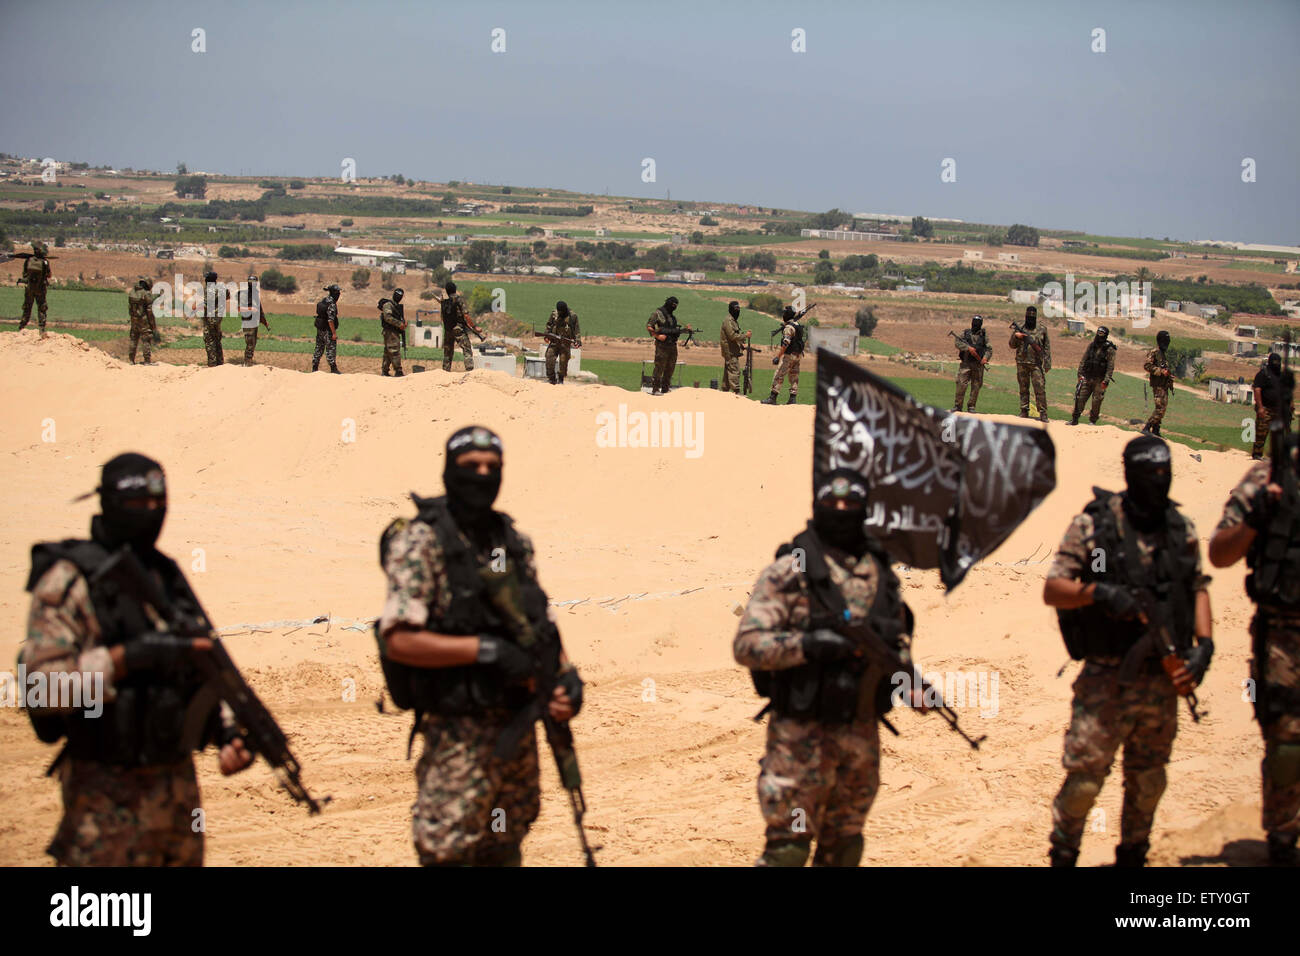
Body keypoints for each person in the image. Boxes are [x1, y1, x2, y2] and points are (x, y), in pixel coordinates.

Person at [19, 453, 254, 865]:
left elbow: (197, 671)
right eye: (137, 505)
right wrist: (124, 659)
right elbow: (41, 689)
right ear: (108, 504)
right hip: (103, 811)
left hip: (177, 805)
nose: (149, 515)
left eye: (156, 505)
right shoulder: (70, 581)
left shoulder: (165, 577)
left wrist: (223, 733)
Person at [377, 426, 585, 866]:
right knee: (449, 849)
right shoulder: (423, 541)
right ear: (451, 471)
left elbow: (540, 623)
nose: (483, 475)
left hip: (517, 727)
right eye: (472, 467)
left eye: (493, 468)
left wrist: (565, 679)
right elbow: (397, 638)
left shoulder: (511, 542)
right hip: (459, 733)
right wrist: (484, 651)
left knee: (505, 844)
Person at [1042, 435, 1214, 867]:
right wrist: (1098, 593)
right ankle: (1064, 850)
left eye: (1164, 474)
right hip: (1105, 680)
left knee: (1149, 780)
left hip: (1161, 678)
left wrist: (1205, 646)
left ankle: (1133, 853)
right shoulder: (1096, 526)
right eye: (1149, 475)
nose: (1158, 483)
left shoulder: (1180, 529)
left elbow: (1197, 588)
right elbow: (1054, 589)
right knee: (1084, 782)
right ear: (1130, 475)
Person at [734, 469, 920, 866]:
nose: (841, 511)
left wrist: (909, 683)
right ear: (817, 507)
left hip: (860, 737)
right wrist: (808, 646)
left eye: (850, 504)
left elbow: (894, 646)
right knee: (787, 849)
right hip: (800, 738)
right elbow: (748, 645)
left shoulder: (881, 575)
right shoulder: (790, 570)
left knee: (845, 848)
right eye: (832, 504)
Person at [1208, 437, 1300, 865]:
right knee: (1285, 744)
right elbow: (1220, 553)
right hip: (1282, 635)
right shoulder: (1266, 477)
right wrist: (1258, 520)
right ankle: (1282, 842)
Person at [1009, 305, 1051, 422]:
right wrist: (1016, 336)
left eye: (1033, 316)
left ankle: (1043, 413)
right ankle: (1024, 410)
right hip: (1022, 362)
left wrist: (1047, 363)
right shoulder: (1020, 327)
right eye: (1029, 316)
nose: (1030, 318)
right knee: (1023, 388)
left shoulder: (1042, 329)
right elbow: (1012, 345)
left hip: (1036, 364)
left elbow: (1046, 347)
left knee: (1040, 388)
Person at [1070, 326, 1117, 426]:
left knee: (1096, 401)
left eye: (1102, 333)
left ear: (1105, 335)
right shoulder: (1092, 345)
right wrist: (1080, 374)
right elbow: (1083, 360)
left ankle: (1093, 421)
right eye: (1098, 333)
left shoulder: (1110, 349)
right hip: (1087, 377)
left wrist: (1106, 380)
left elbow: (1110, 366)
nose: (1099, 335)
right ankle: (1075, 419)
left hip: (1100, 380)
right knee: (1080, 397)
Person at [762, 306, 808, 406]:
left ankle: (773, 397)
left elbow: (785, 344)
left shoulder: (788, 328)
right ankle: (792, 398)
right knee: (794, 376)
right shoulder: (797, 325)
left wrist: (778, 356)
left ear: (787, 315)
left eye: (784, 313)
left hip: (789, 355)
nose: (783, 315)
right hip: (798, 355)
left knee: (779, 375)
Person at [1251, 351, 1292, 460]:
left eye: (1278, 362)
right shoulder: (1263, 374)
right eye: (1274, 362)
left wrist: (1290, 406)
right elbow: (1257, 390)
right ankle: (1257, 454)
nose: (1276, 364)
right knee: (1261, 432)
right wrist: (1260, 407)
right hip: (1266, 408)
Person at [646, 296, 690, 395]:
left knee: (670, 368)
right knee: (659, 368)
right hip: (662, 346)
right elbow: (649, 327)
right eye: (673, 305)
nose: (674, 307)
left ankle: (665, 388)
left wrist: (685, 330)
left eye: (676, 306)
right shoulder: (657, 314)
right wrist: (658, 336)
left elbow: (673, 330)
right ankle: (656, 389)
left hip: (672, 345)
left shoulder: (672, 317)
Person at [952, 314, 991, 413]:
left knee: (976, 385)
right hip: (966, 363)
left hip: (978, 365)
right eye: (975, 322)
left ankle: (971, 406)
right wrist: (968, 348)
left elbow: (989, 349)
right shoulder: (965, 334)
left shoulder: (984, 336)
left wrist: (985, 358)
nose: (976, 324)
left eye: (978, 322)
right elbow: (957, 343)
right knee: (961, 384)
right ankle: (958, 406)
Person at [440, 281, 477, 373]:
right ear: (455, 289)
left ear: (447, 291)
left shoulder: (445, 302)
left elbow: (442, 317)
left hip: (448, 329)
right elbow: (466, 315)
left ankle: (445, 372)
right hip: (458, 328)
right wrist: (474, 327)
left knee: (447, 353)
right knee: (467, 349)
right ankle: (469, 370)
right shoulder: (459, 300)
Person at [18, 240, 52, 337]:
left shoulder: (28, 260)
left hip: (29, 288)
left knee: (27, 307)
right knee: (42, 308)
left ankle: (22, 327)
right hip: (40, 289)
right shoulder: (45, 262)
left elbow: (25, 274)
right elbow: (49, 275)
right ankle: (41, 329)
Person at [1142, 330, 1173, 436]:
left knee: (1162, 408)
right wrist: (1161, 372)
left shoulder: (1163, 354)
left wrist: (1168, 375)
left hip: (1164, 385)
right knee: (1160, 409)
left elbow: (1164, 369)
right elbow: (1147, 366)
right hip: (1158, 385)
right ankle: (1147, 427)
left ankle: (1156, 429)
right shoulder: (1154, 352)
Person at [543, 300, 581, 385]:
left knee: (563, 362)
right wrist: (546, 335)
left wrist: (578, 341)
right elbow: (549, 325)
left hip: (565, 343)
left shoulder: (572, 316)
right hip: (554, 342)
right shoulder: (554, 314)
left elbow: (576, 330)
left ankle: (561, 379)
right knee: (549, 358)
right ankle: (551, 379)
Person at [720, 301, 750, 394]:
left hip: (733, 351)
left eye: (738, 309)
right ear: (731, 310)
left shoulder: (733, 321)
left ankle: (725, 391)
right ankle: (736, 392)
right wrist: (745, 336)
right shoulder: (728, 321)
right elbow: (732, 336)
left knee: (728, 371)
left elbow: (735, 336)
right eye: (735, 309)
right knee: (735, 371)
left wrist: (741, 344)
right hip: (730, 352)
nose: (737, 311)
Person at [126, 278, 157, 365]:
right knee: (146, 339)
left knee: (133, 338)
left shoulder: (132, 292)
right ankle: (147, 361)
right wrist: (152, 324)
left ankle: (131, 360)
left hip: (133, 319)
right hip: (143, 320)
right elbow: (149, 311)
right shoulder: (146, 294)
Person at [241, 275, 270, 367]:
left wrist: (264, 321)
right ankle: (247, 362)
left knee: (253, 342)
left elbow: (259, 308)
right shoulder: (244, 294)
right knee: (250, 342)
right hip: (248, 321)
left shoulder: (255, 293)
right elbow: (240, 308)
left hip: (254, 321)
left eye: (254, 283)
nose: (252, 284)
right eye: (251, 283)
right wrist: (251, 309)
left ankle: (248, 361)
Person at [312, 284, 341, 374]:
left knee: (319, 348)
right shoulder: (331, 304)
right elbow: (330, 320)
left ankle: (314, 367)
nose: (339, 294)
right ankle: (333, 368)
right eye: (337, 292)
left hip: (320, 329)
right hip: (328, 330)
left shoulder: (324, 300)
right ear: (333, 293)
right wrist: (334, 333)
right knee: (330, 348)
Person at [200, 271, 226, 367]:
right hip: (218, 319)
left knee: (209, 340)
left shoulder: (209, 289)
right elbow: (228, 295)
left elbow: (205, 305)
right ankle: (220, 362)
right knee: (217, 340)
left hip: (210, 319)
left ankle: (212, 363)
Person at [380, 288, 406, 377]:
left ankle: (385, 370)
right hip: (390, 331)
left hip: (394, 331)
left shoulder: (396, 306)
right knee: (394, 350)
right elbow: (388, 318)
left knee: (388, 352)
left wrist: (402, 323)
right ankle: (398, 370)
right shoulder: (388, 305)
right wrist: (399, 324)